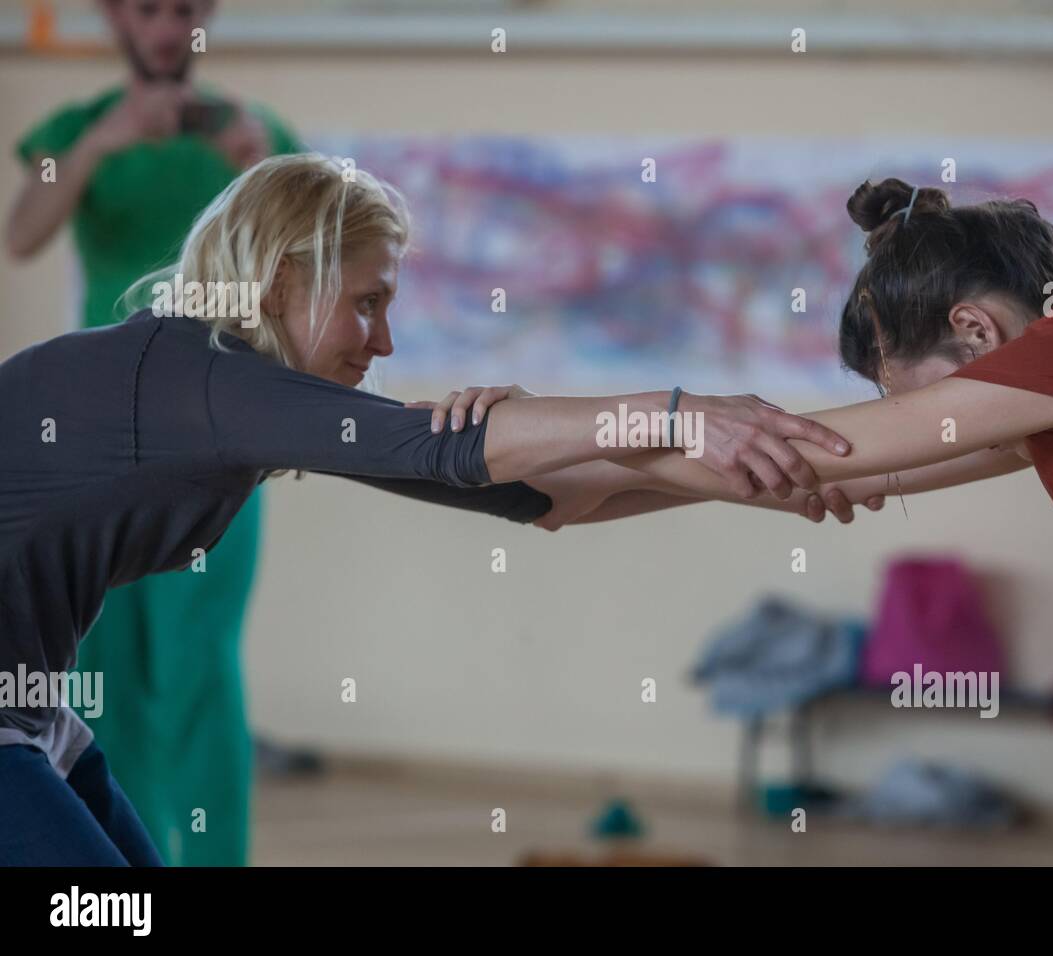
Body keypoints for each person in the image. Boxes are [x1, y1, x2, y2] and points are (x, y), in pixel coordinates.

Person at [0, 152, 853, 866]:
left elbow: (534, 496)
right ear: (275, 285)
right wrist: (677, 412)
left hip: (31, 707)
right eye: (366, 303)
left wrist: (779, 478)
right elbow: (453, 452)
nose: (385, 342)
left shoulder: (230, 390)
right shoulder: (204, 376)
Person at [607, 176, 1053, 866]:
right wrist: (574, 486)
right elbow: (834, 471)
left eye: (910, 402)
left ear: (974, 330)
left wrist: (577, 436)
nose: (909, 424)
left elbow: (811, 456)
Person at [5, 0, 304, 865]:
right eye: (147, 10)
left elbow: (311, 262)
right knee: (97, 682)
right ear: (113, 20)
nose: (167, 29)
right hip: (90, 446)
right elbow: (23, 232)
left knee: (199, 668)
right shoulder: (75, 130)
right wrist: (104, 141)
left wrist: (257, 164)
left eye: (182, 10)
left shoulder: (260, 133)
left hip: (216, 437)